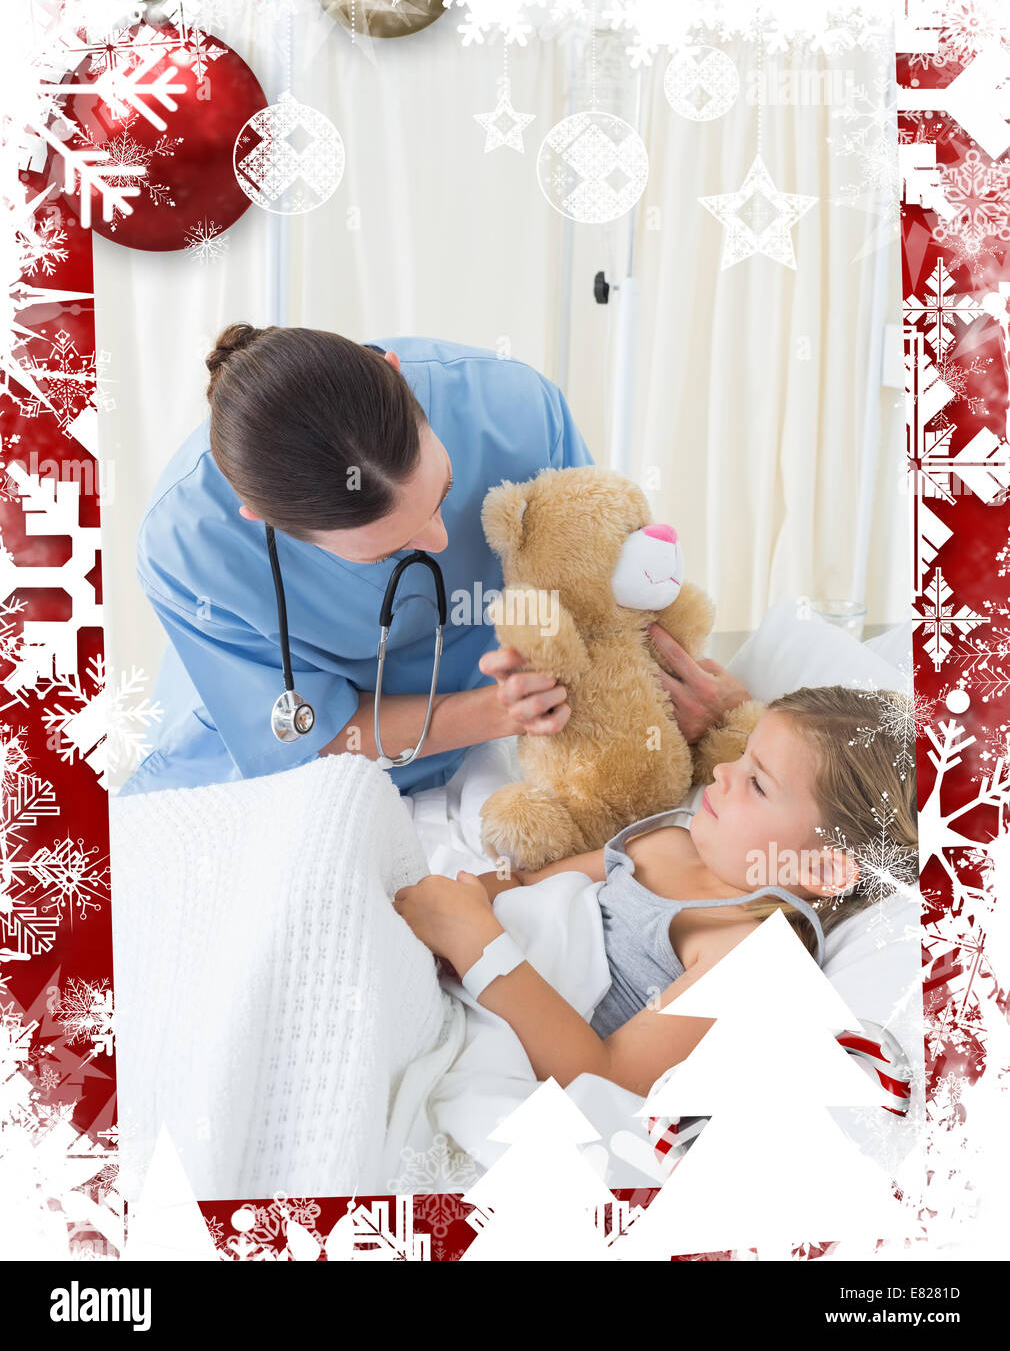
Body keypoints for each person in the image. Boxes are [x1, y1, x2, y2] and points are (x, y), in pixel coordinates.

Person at [123, 325, 750, 797]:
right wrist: (496, 714)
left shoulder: (514, 410)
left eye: (445, 492)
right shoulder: (189, 546)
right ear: (261, 520)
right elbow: (310, 738)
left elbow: (600, 587)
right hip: (306, 769)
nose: (444, 542)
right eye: (393, 548)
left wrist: (697, 701)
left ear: (397, 373)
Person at [393, 685, 918, 1097]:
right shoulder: (669, 841)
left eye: (758, 783)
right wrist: (460, 898)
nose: (720, 771)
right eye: (743, 755)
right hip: (458, 956)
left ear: (824, 870)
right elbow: (528, 884)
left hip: (499, 1012)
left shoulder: (749, 949)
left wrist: (474, 942)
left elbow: (607, 1076)